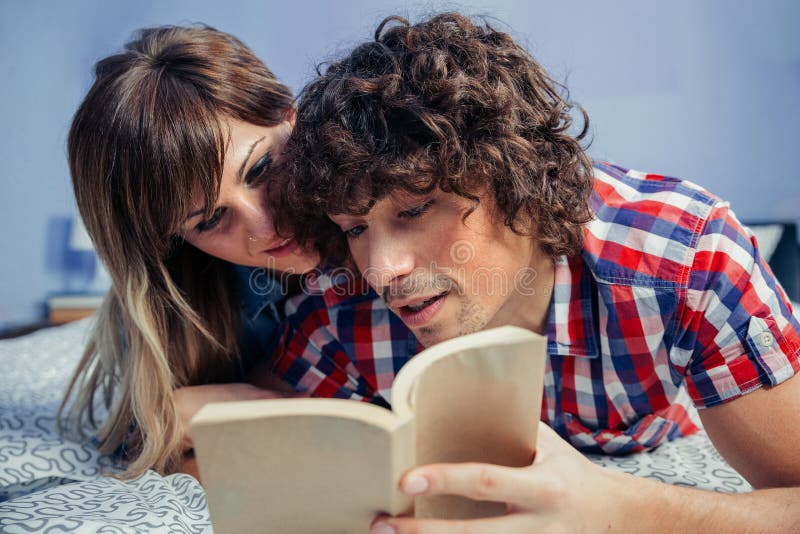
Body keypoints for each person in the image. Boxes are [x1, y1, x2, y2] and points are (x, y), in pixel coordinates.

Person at [275, 13, 800, 531]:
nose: (383, 271)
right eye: (355, 228)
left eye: (414, 211)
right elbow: (257, 425)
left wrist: (620, 510)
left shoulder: (688, 260)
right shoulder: (342, 299)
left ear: (516, 184)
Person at [60, 25, 318, 479]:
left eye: (260, 169)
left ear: (289, 116)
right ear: (176, 242)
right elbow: (160, 442)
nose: (265, 226)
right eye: (210, 220)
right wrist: (175, 416)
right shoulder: (180, 313)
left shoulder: (389, 208)